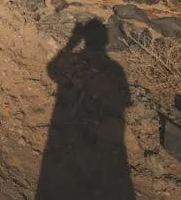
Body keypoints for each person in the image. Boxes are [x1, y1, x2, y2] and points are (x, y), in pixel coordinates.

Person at [36, 18, 134, 199]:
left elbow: (53, 71)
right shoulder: (115, 68)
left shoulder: (86, 61)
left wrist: (71, 42)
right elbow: (126, 100)